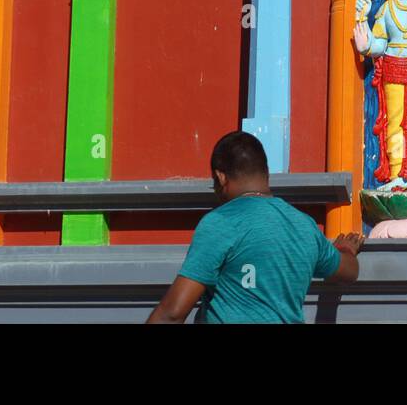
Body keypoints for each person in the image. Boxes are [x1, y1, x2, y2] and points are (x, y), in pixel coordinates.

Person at [147, 131, 365, 323]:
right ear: (265, 173)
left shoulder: (221, 222)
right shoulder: (304, 226)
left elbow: (172, 314)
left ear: (220, 177)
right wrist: (345, 250)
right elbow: (350, 270)